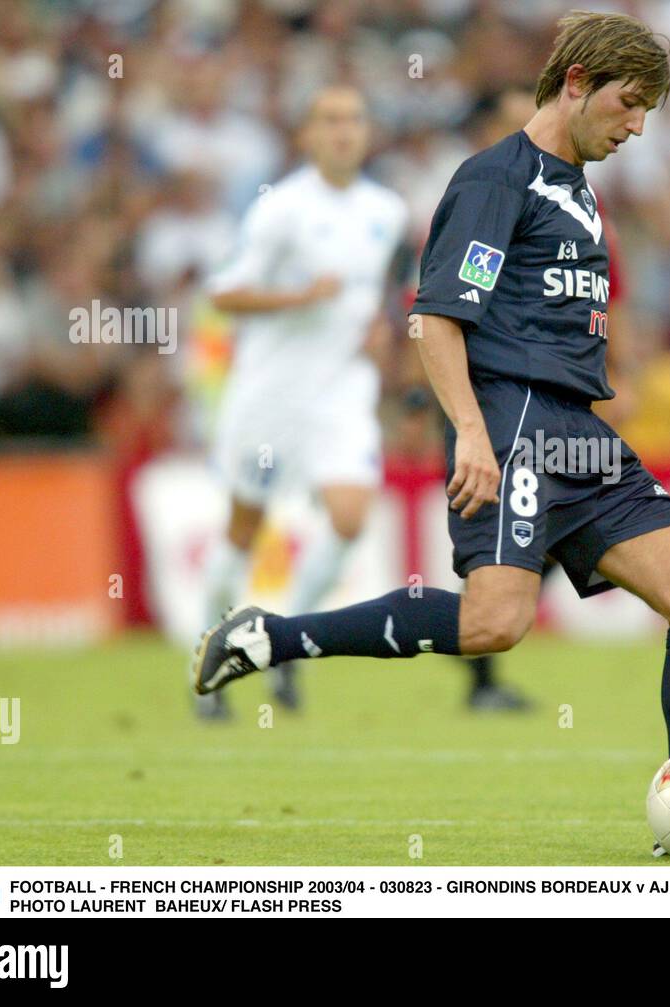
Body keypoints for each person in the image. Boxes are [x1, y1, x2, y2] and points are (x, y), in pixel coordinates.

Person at [193, 13, 670, 856]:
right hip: (513, 422)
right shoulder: (494, 181)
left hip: (579, 434)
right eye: (629, 106)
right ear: (578, 83)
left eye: (649, 113)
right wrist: (472, 435)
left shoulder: (580, 189)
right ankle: (272, 636)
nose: (637, 128)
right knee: (493, 626)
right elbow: (436, 319)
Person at [198, 86, 526, 718]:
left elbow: (404, 296)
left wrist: (395, 362)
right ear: (308, 135)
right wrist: (298, 299)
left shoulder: (385, 210)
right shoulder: (282, 209)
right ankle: (211, 648)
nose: (344, 131)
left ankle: (275, 642)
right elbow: (224, 291)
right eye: (330, 121)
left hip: (341, 390)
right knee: (244, 527)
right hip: (268, 391)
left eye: (354, 119)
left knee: (349, 518)